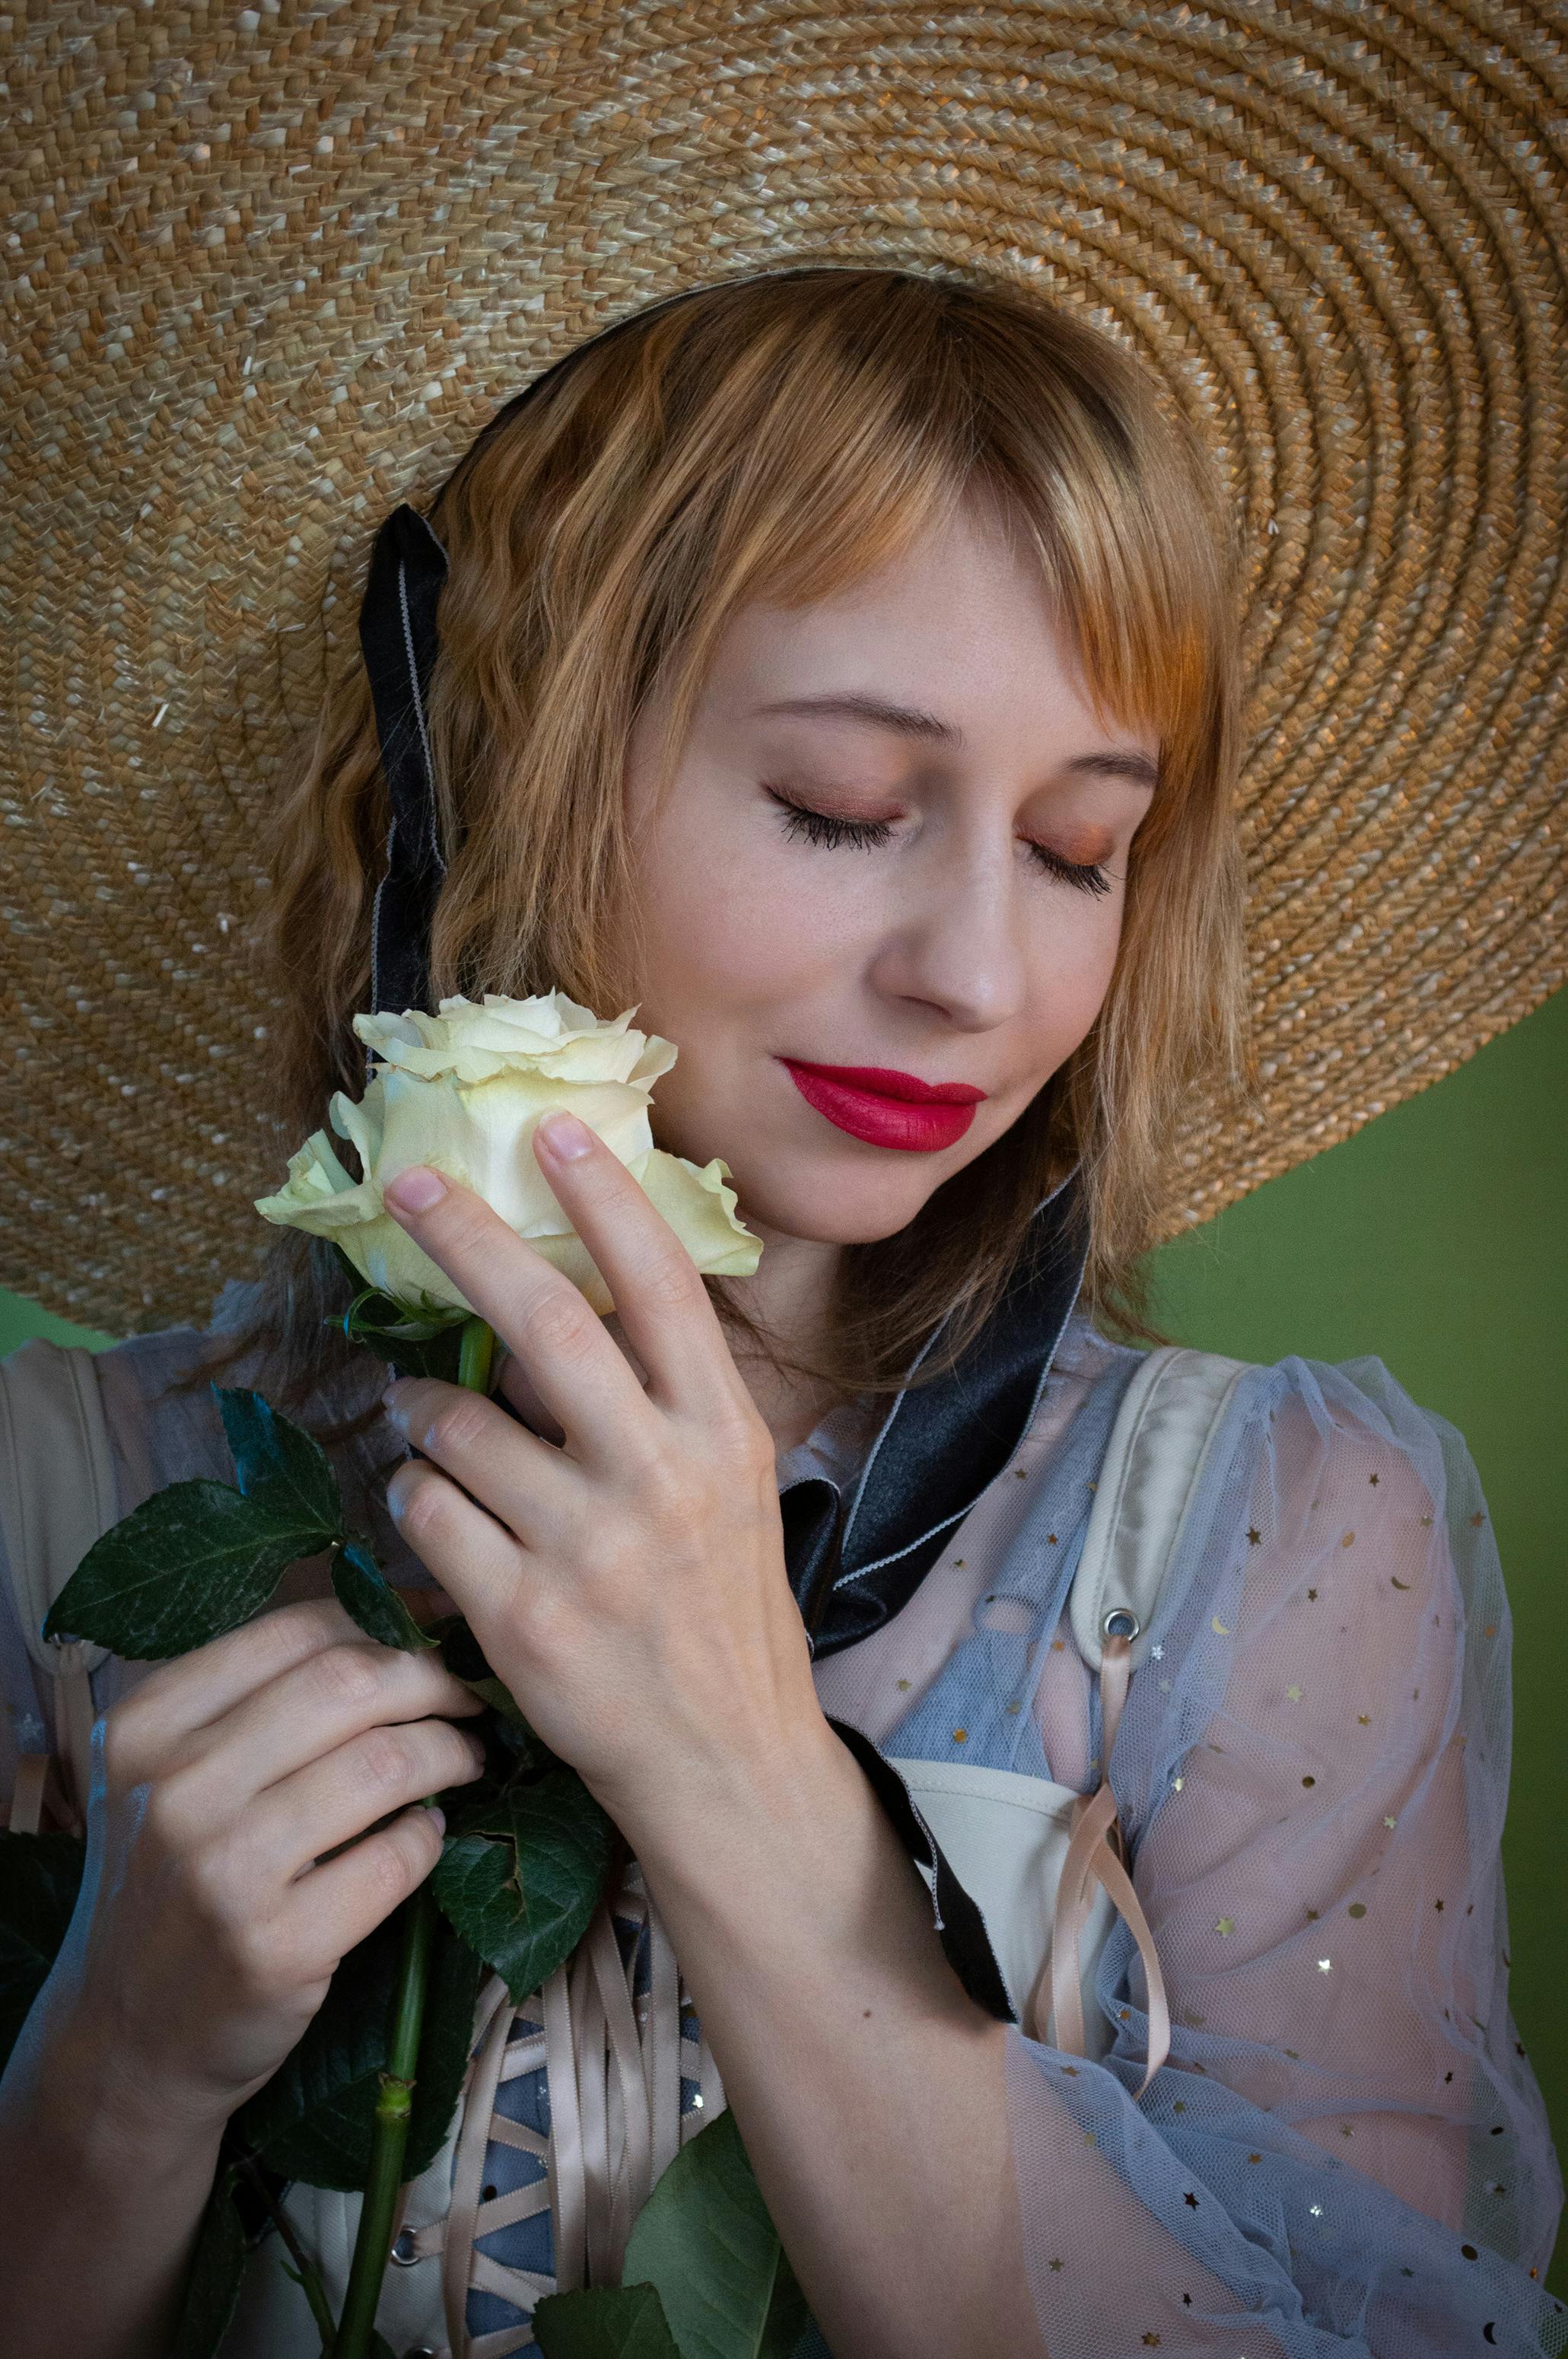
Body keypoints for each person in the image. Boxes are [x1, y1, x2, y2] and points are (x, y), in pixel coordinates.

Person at [0, 266, 1560, 2359]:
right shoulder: (61, 1505)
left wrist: (748, 1776)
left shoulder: (1291, 1537)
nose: (980, 976)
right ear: (498, 767)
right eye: (839, 804)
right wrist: (110, 2080)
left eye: (1085, 843)